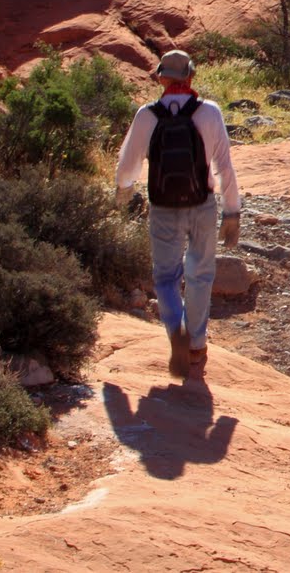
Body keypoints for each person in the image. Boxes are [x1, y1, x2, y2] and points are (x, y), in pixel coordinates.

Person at [115, 50, 241, 377]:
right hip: (201, 205)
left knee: (166, 277)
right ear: (191, 76)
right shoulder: (209, 112)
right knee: (200, 275)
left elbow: (128, 166)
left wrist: (122, 193)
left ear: (161, 78)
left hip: (163, 209)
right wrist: (232, 211)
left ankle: (176, 334)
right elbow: (224, 166)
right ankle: (196, 343)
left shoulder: (147, 115)